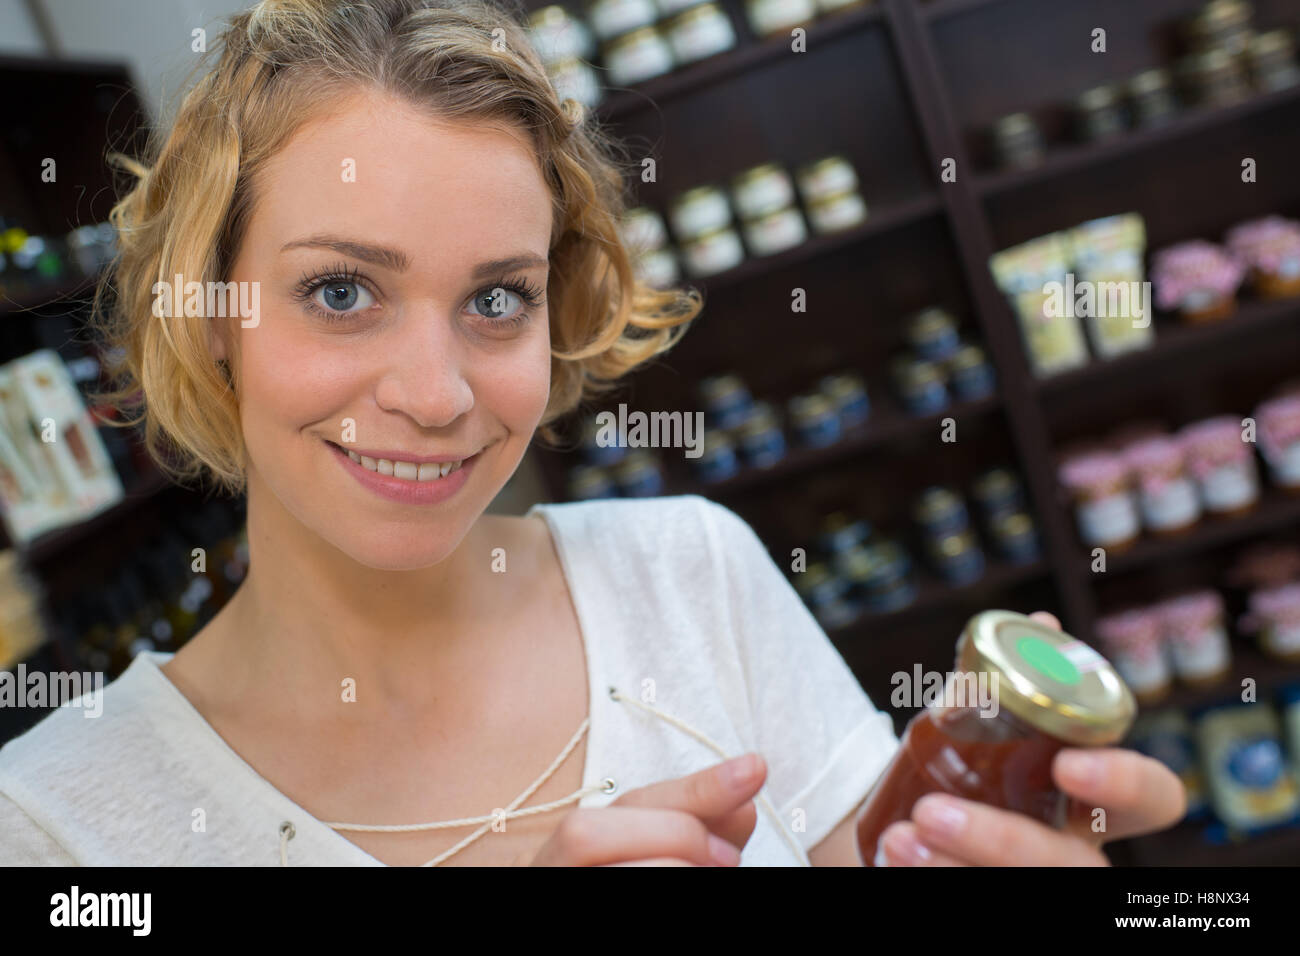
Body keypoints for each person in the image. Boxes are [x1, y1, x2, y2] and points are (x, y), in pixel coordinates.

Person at [0, 0, 1183, 866]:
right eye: (342, 291)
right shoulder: (57, 823)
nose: (437, 392)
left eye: (497, 298)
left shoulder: (689, 567)